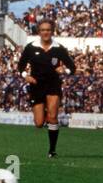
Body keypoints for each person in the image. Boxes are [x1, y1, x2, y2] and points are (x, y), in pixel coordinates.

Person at [17, 19, 75, 158]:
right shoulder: (31, 47)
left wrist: (64, 70)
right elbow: (20, 66)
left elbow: (72, 68)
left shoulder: (59, 48)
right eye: (43, 30)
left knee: (53, 116)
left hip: (53, 85)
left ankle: (52, 150)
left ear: (52, 31)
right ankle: (43, 112)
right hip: (36, 85)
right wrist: (25, 75)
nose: (46, 32)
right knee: (38, 123)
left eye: (48, 30)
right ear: (39, 32)